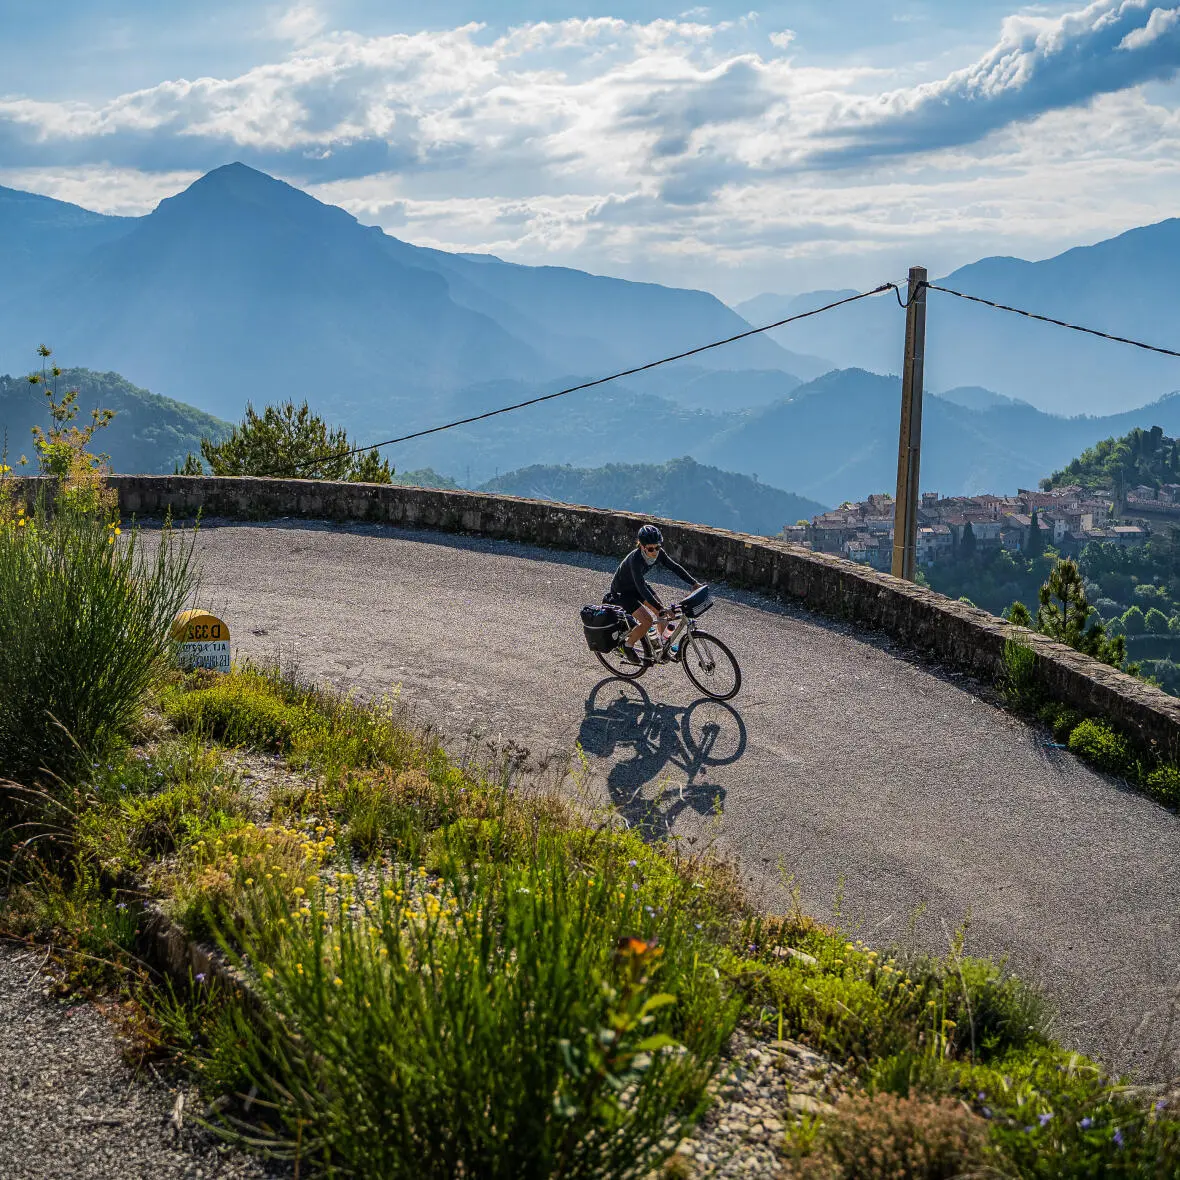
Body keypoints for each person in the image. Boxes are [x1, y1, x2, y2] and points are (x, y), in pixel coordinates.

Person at [607, 524, 701, 664]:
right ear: (642, 547)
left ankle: (662, 647)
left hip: (637, 586)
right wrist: (660, 608)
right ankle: (627, 645)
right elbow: (642, 589)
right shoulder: (635, 560)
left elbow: (674, 567)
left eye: (657, 547)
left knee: (660, 613)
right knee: (647, 621)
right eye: (651, 549)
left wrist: (694, 583)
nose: (655, 551)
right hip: (622, 592)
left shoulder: (658, 553)